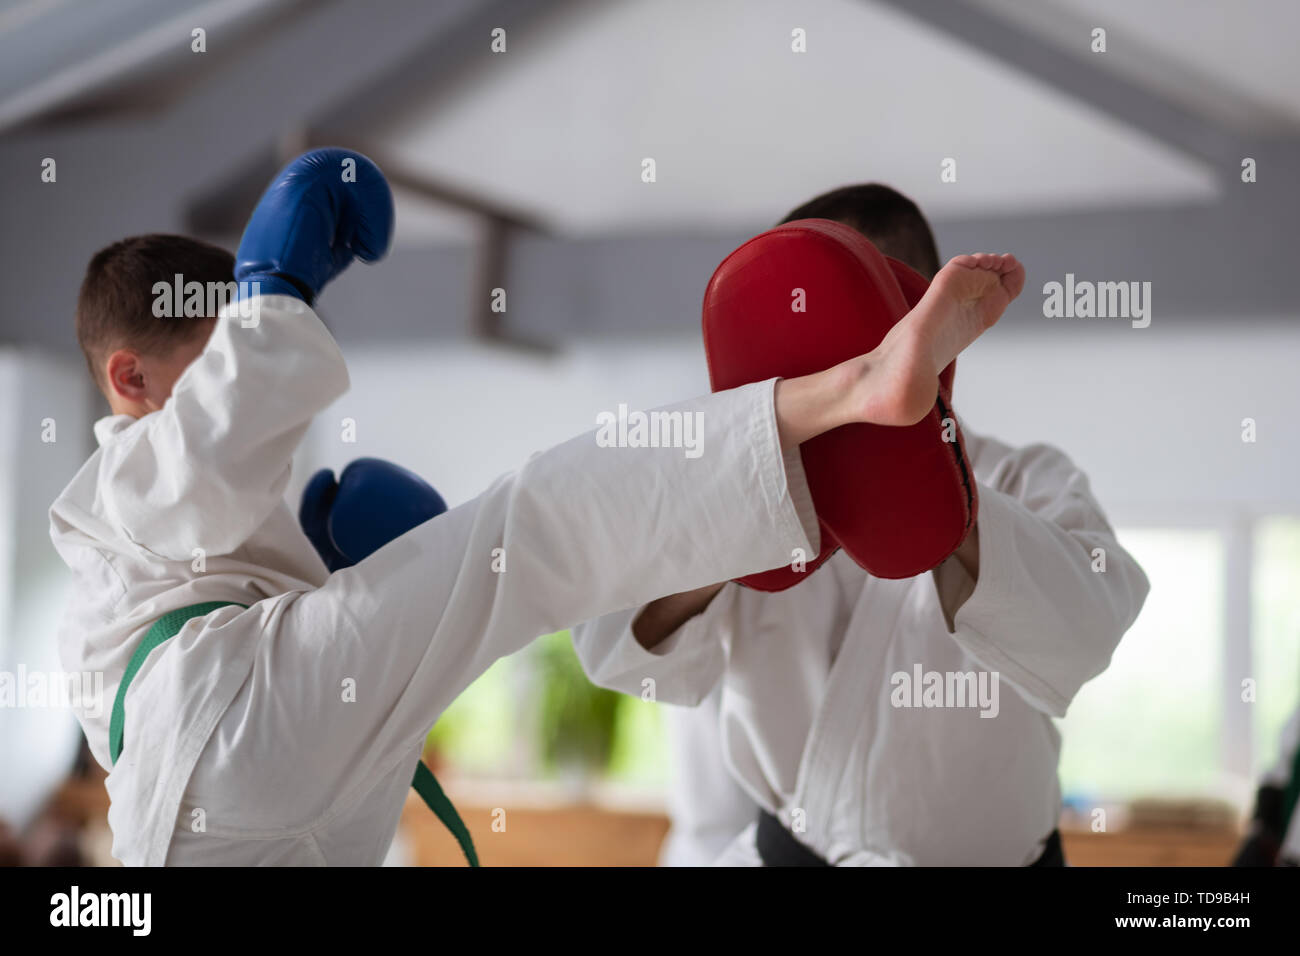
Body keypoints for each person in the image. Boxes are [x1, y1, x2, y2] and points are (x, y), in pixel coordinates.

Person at [48, 153, 1024, 865]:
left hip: (220, 827)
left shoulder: (158, 553)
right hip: (226, 739)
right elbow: (208, 462)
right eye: (211, 364)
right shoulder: (118, 484)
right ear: (127, 377)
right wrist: (271, 295)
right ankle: (851, 390)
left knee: (507, 559)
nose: (238, 386)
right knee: (531, 529)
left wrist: (340, 576)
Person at [574, 183, 1150, 866]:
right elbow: (612, 648)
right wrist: (727, 510)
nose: (836, 359)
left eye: (857, 324)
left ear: (929, 323)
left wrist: (931, 498)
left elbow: (1082, 641)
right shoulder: (740, 485)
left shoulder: (1026, 480)